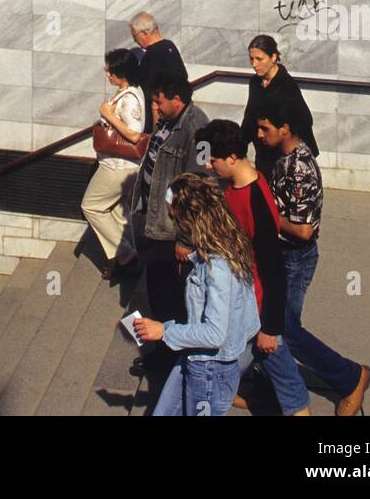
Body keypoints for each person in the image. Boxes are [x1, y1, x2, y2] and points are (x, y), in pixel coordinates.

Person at [257, 96, 370, 417]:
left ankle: (351, 377)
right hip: (280, 253)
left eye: (265, 129)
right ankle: (275, 382)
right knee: (275, 325)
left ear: (285, 128)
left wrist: (265, 216)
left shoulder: (302, 169)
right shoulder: (282, 155)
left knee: (284, 329)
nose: (259, 135)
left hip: (294, 257)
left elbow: (304, 231)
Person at [196, 119, 311, 416]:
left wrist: (269, 328)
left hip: (257, 311)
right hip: (247, 304)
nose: (209, 166)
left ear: (232, 158)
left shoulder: (255, 199)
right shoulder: (241, 184)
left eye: (214, 160)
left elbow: (273, 268)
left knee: (289, 386)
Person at [134, 173, 260, 416]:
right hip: (200, 360)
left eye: (175, 218)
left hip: (210, 371)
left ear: (188, 219)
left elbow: (214, 334)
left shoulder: (218, 267)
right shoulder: (228, 243)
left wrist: (163, 331)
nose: (175, 225)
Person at [129, 74, 209, 351]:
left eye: (159, 101)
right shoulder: (170, 121)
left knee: (168, 294)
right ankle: (162, 349)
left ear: (178, 100)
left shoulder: (197, 128)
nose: (155, 107)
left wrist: (185, 239)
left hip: (172, 230)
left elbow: (196, 187)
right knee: (157, 287)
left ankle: (167, 352)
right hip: (156, 222)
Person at [81, 49, 146, 279]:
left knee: (91, 206)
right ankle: (128, 260)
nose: (107, 74)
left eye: (110, 70)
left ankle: (125, 253)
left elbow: (135, 135)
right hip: (122, 165)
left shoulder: (129, 99)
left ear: (121, 72)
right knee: (119, 212)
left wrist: (108, 115)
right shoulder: (129, 92)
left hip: (118, 166)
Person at [239, 36, 317, 182]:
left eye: (259, 59)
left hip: (285, 156)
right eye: (251, 59)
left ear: (273, 57)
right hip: (263, 153)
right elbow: (250, 117)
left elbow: (305, 120)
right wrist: (237, 146)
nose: (254, 64)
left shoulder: (287, 85)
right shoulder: (255, 83)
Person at [129, 12, 189, 132]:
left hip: (160, 124)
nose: (135, 40)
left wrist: (156, 132)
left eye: (135, 36)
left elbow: (155, 99)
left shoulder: (153, 54)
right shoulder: (169, 46)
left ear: (144, 33)